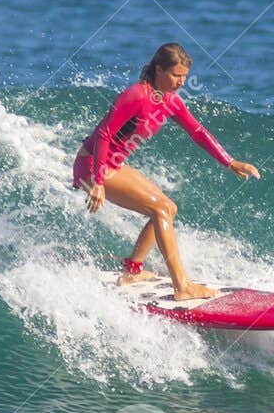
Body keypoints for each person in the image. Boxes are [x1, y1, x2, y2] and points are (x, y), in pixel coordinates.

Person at [72, 43, 259, 300]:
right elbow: (104, 133)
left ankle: (133, 269)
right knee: (159, 209)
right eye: (175, 75)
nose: (181, 82)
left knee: (168, 208)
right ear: (159, 69)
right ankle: (182, 286)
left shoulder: (170, 101)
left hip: (112, 164)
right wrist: (99, 182)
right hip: (93, 165)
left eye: (184, 76)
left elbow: (197, 131)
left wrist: (229, 161)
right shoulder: (136, 95)